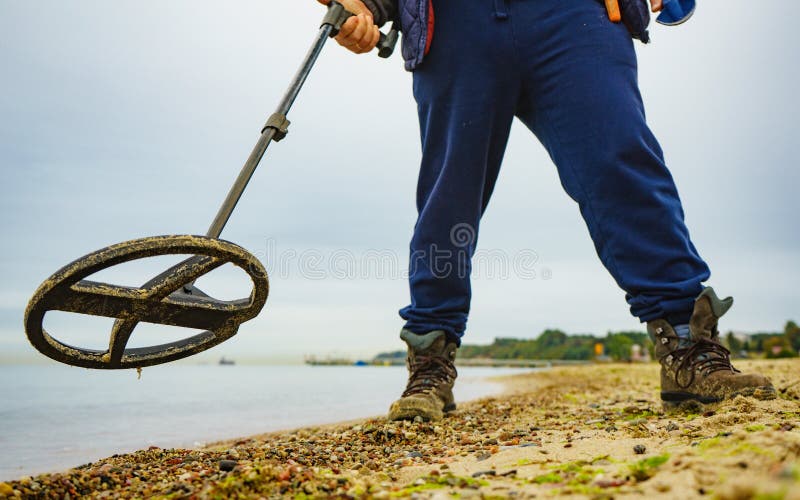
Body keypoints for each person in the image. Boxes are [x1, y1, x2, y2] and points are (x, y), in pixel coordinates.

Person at [317, 0, 775, 420]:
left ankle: (687, 343)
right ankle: (430, 361)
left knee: (621, 162)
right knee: (448, 199)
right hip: (455, 23)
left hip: (574, 16)